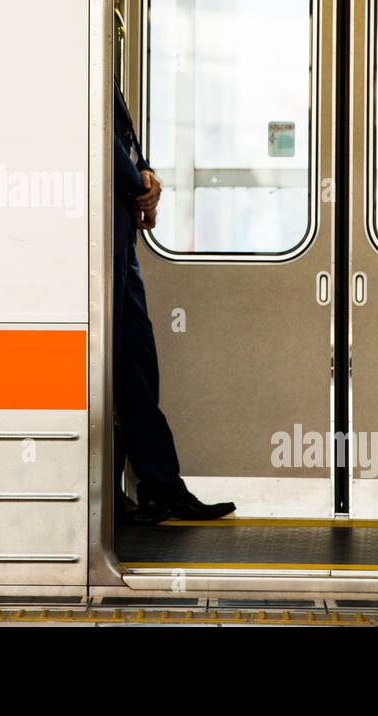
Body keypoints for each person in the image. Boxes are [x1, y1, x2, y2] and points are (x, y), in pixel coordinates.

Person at [113, 79, 236, 525]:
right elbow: (94, 135)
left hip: (121, 243)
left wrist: (147, 176)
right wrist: (137, 187)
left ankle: (160, 488)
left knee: (137, 369)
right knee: (119, 372)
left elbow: (123, 139)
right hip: (105, 244)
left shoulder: (102, 59)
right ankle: (140, 491)